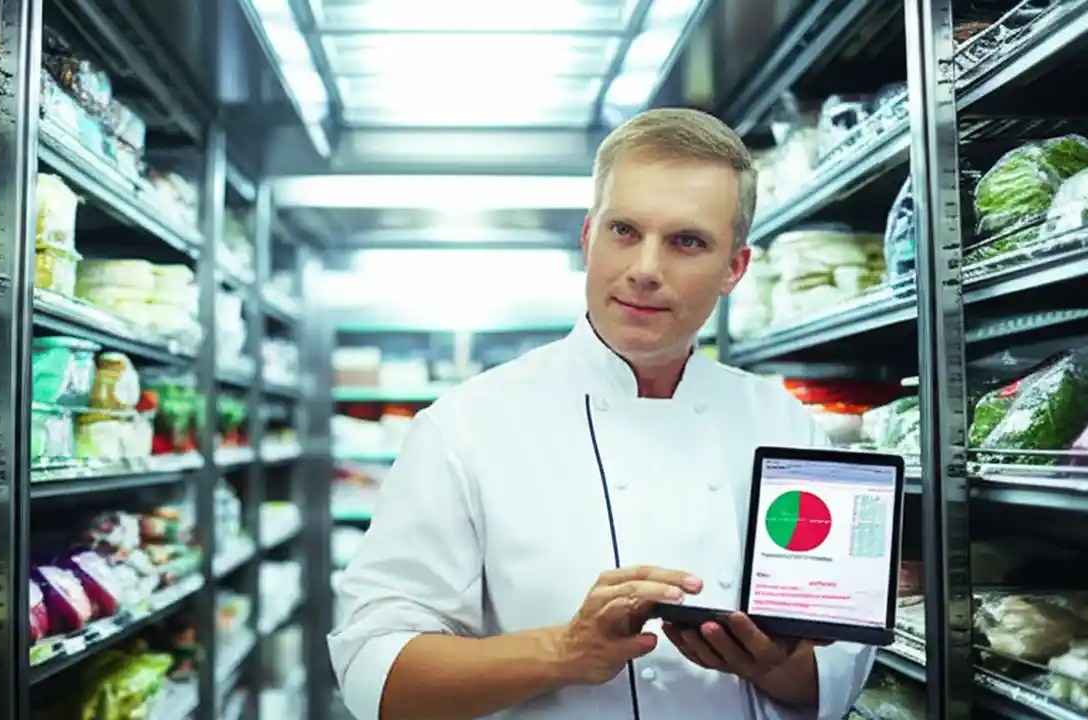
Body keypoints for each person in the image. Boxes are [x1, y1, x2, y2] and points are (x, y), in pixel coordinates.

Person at [327, 108, 875, 720]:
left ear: (734, 269)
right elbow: (373, 670)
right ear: (588, 237)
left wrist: (775, 664)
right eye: (624, 231)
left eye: (686, 242)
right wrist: (562, 651)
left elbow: (838, 669)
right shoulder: (465, 429)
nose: (645, 269)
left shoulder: (784, 423)